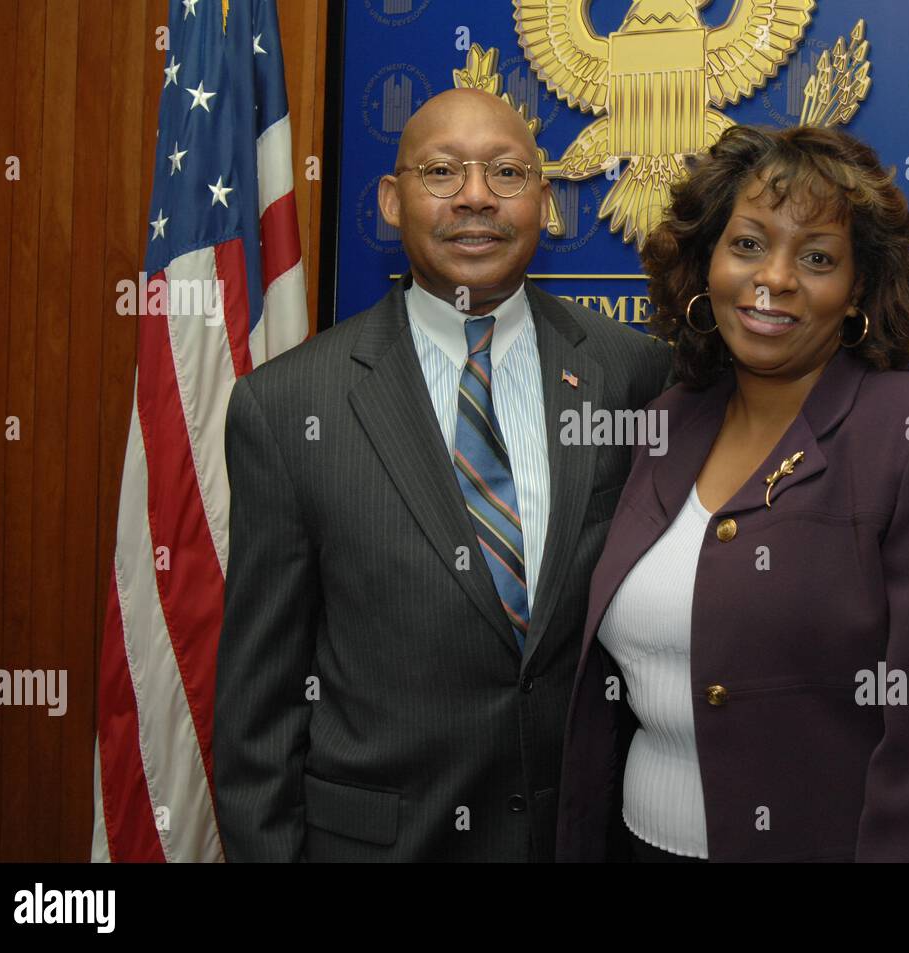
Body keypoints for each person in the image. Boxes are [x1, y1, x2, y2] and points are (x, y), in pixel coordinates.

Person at [213, 88, 670, 862]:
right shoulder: (287, 405)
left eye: (507, 173)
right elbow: (262, 703)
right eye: (441, 172)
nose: (475, 198)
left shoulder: (634, 373)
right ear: (392, 201)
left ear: (546, 201)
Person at [555, 124, 909, 862]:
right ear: (706, 261)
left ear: (858, 286)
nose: (775, 277)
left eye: (817, 257)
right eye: (746, 244)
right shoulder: (666, 421)